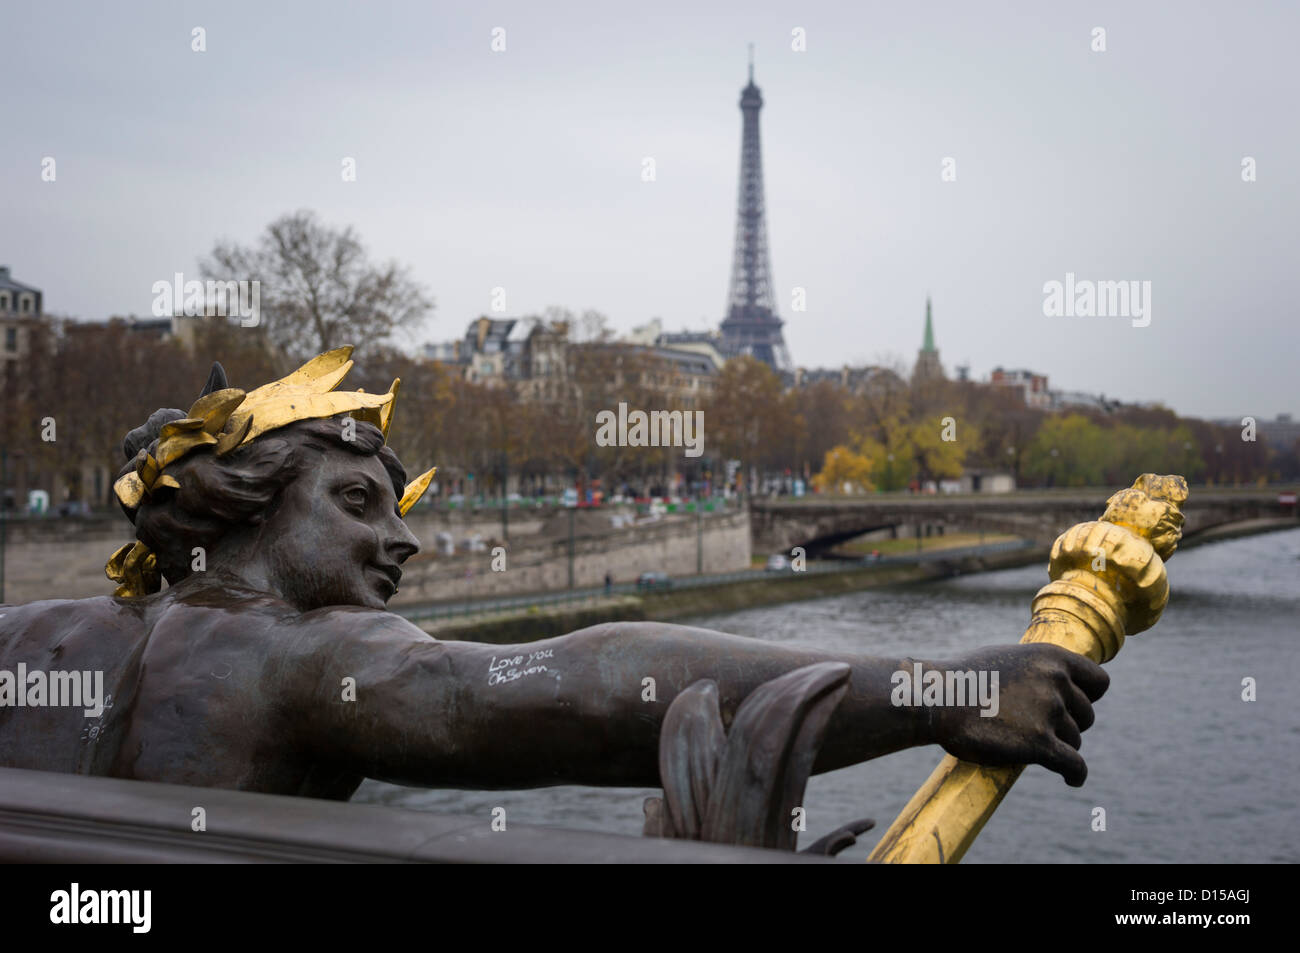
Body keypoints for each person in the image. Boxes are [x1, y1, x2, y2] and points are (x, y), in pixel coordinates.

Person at [0, 349, 1107, 799]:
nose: (401, 540)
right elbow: (585, 685)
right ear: (238, 502)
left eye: (397, 509)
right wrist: (944, 687)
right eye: (354, 500)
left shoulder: (38, 635)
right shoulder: (286, 651)